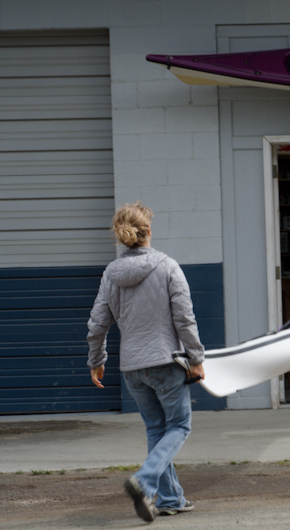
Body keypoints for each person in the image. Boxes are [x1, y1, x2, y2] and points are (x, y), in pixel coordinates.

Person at [87, 201, 205, 522]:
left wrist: (97, 360)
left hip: (132, 369)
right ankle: (144, 480)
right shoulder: (168, 267)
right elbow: (185, 318)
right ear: (149, 231)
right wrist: (196, 358)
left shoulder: (111, 274)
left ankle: (169, 498)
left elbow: (97, 324)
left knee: (156, 428)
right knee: (179, 425)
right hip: (165, 363)